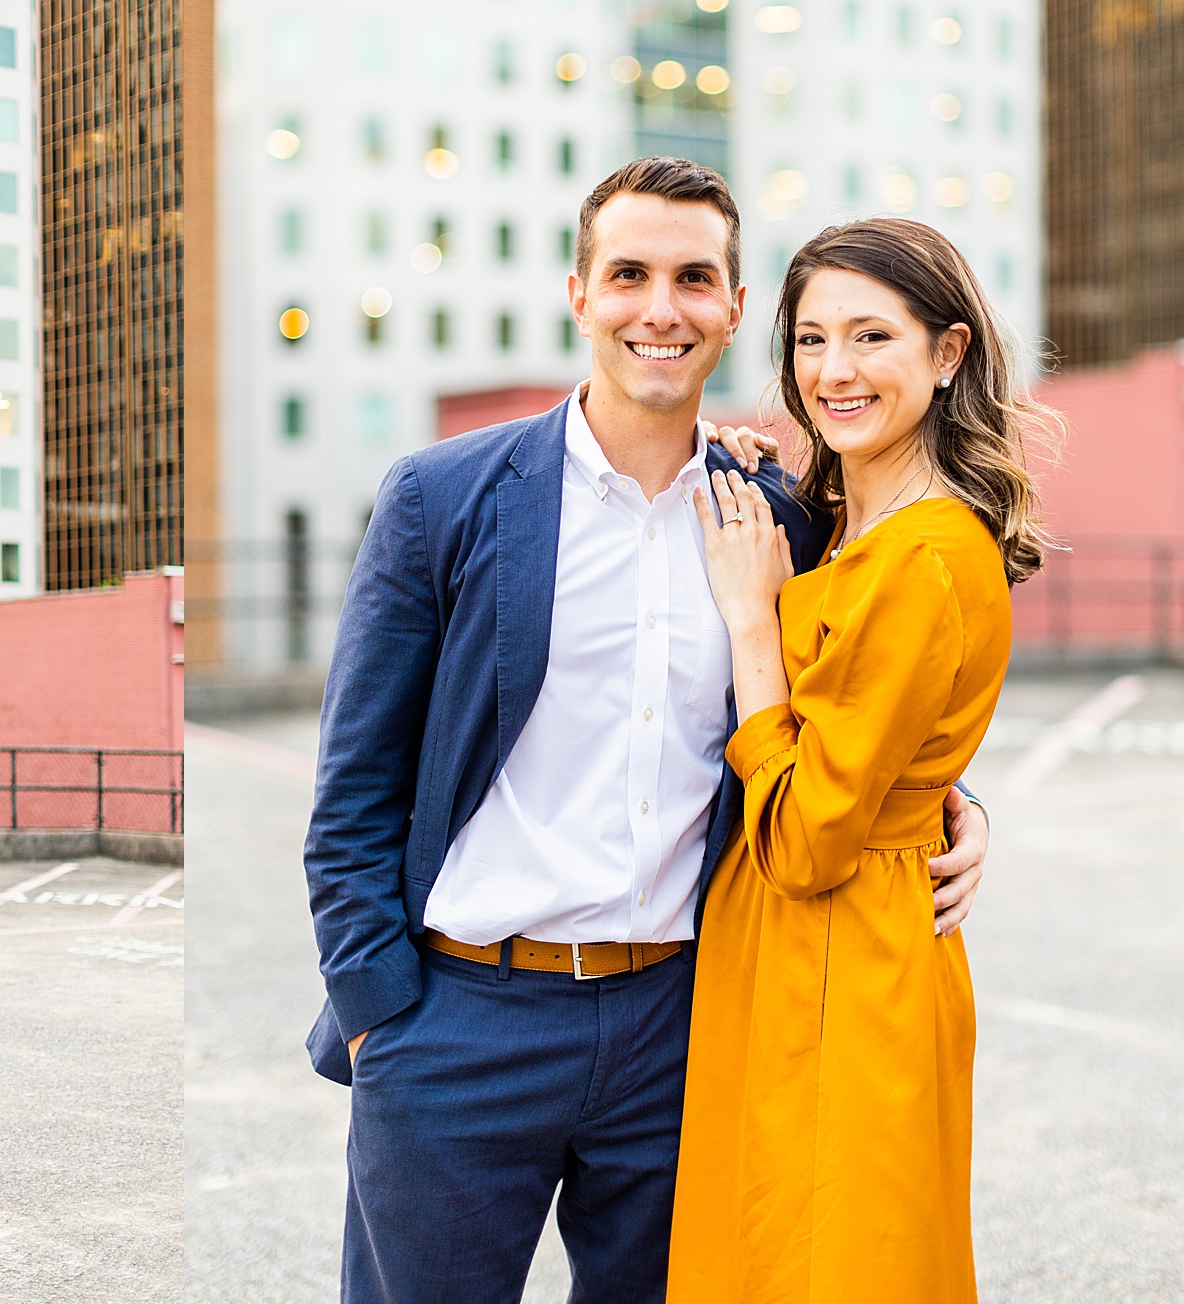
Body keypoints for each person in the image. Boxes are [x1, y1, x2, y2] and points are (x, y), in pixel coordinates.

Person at [303, 157, 992, 1303]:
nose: (657, 307)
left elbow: (864, 704)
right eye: (627, 274)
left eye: (692, 278)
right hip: (459, 1021)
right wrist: (382, 1017)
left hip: (685, 1026)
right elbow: (352, 786)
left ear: (730, 308)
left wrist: (954, 807)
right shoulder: (440, 496)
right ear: (579, 295)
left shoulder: (778, 519)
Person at [670, 219, 1048, 1301]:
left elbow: (800, 837)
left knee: (830, 1260)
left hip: (839, 957)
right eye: (808, 340)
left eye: (871, 337)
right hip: (803, 953)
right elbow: (880, 740)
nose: (832, 371)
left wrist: (751, 624)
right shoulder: (844, 522)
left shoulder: (920, 560)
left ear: (946, 353)